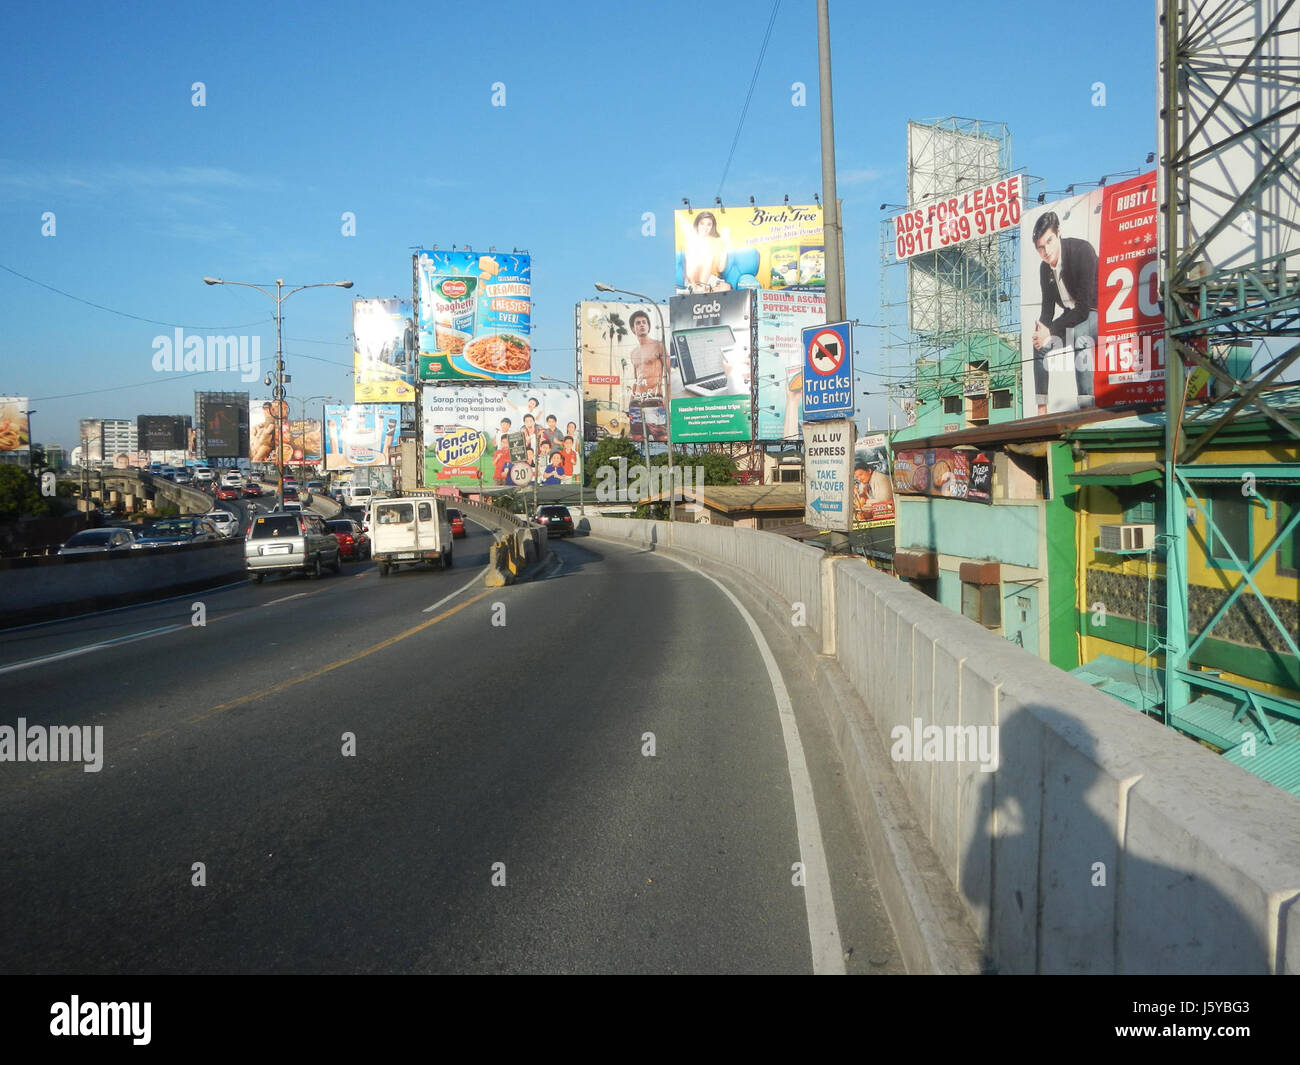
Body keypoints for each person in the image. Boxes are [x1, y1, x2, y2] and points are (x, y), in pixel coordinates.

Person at [1030, 211, 1098, 415]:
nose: (1046, 251)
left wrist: (1051, 330)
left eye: (1049, 241)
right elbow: (1048, 309)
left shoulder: (1081, 250)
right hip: (1074, 315)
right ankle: (1041, 408)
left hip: (1098, 312)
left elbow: (1084, 308)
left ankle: (1086, 407)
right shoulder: (1045, 269)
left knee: (1080, 337)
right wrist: (1042, 332)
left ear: (1058, 233)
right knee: (1039, 345)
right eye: (1040, 247)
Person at [683, 211, 730, 293]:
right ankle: (700, 288)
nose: (705, 227)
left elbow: (720, 268)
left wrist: (725, 247)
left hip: (711, 280)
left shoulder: (716, 242)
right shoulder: (692, 242)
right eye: (702, 223)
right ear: (697, 225)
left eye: (709, 224)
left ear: (712, 227)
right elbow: (689, 272)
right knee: (709, 258)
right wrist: (694, 283)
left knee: (726, 287)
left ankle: (703, 292)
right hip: (694, 279)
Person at [628, 310, 666, 406]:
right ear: (633, 329)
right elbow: (636, 380)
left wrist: (667, 399)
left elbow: (669, 374)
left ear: (648, 327)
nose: (642, 325)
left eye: (644, 322)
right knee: (636, 421)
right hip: (638, 400)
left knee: (655, 421)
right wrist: (631, 401)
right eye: (638, 323)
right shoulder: (633, 353)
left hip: (655, 397)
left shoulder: (658, 346)